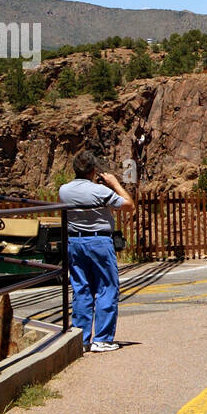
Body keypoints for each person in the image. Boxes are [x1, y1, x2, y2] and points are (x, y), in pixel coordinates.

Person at [58, 148, 135, 352]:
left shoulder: (63, 190)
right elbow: (129, 205)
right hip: (99, 242)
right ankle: (102, 339)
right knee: (106, 287)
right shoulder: (101, 191)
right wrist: (114, 184)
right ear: (94, 170)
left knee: (81, 288)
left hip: (74, 242)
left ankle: (82, 339)